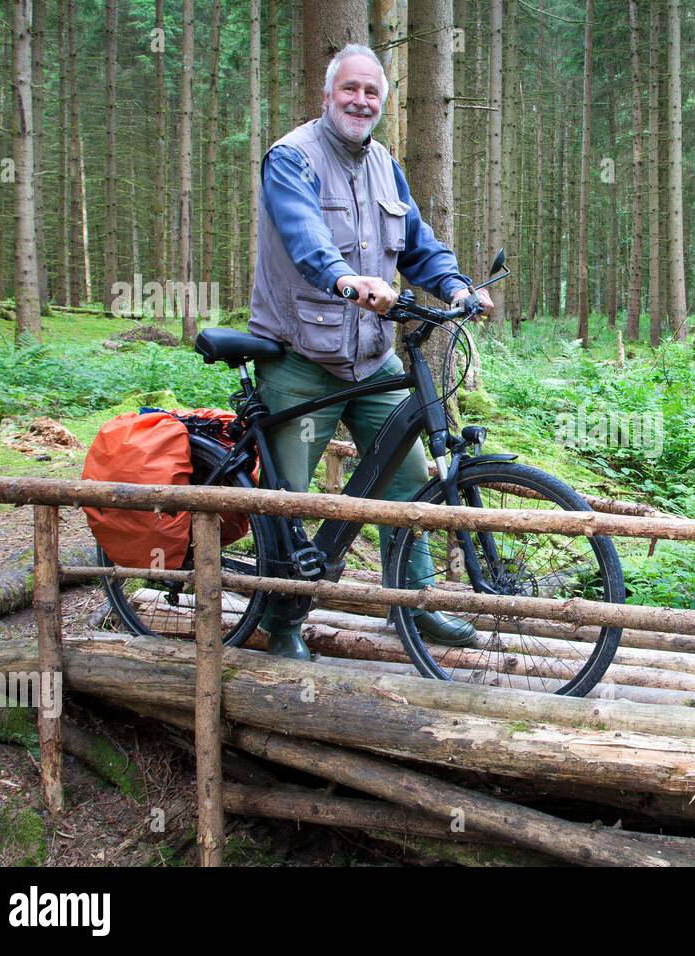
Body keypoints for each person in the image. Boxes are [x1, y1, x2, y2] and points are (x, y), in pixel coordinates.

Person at [248, 44, 493, 660]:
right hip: (300, 356)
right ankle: (283, 624)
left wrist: (457, 286)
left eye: (372, 93)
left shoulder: (384, 163)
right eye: (350, 89)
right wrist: (347, 279)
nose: (361, 101)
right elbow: (304, 237)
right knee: (290, 501)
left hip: (371, 357)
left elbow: (416, 244)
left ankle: (413, 605)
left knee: (408, 485)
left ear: (382, 103)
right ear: (327, 95)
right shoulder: (292, 158)